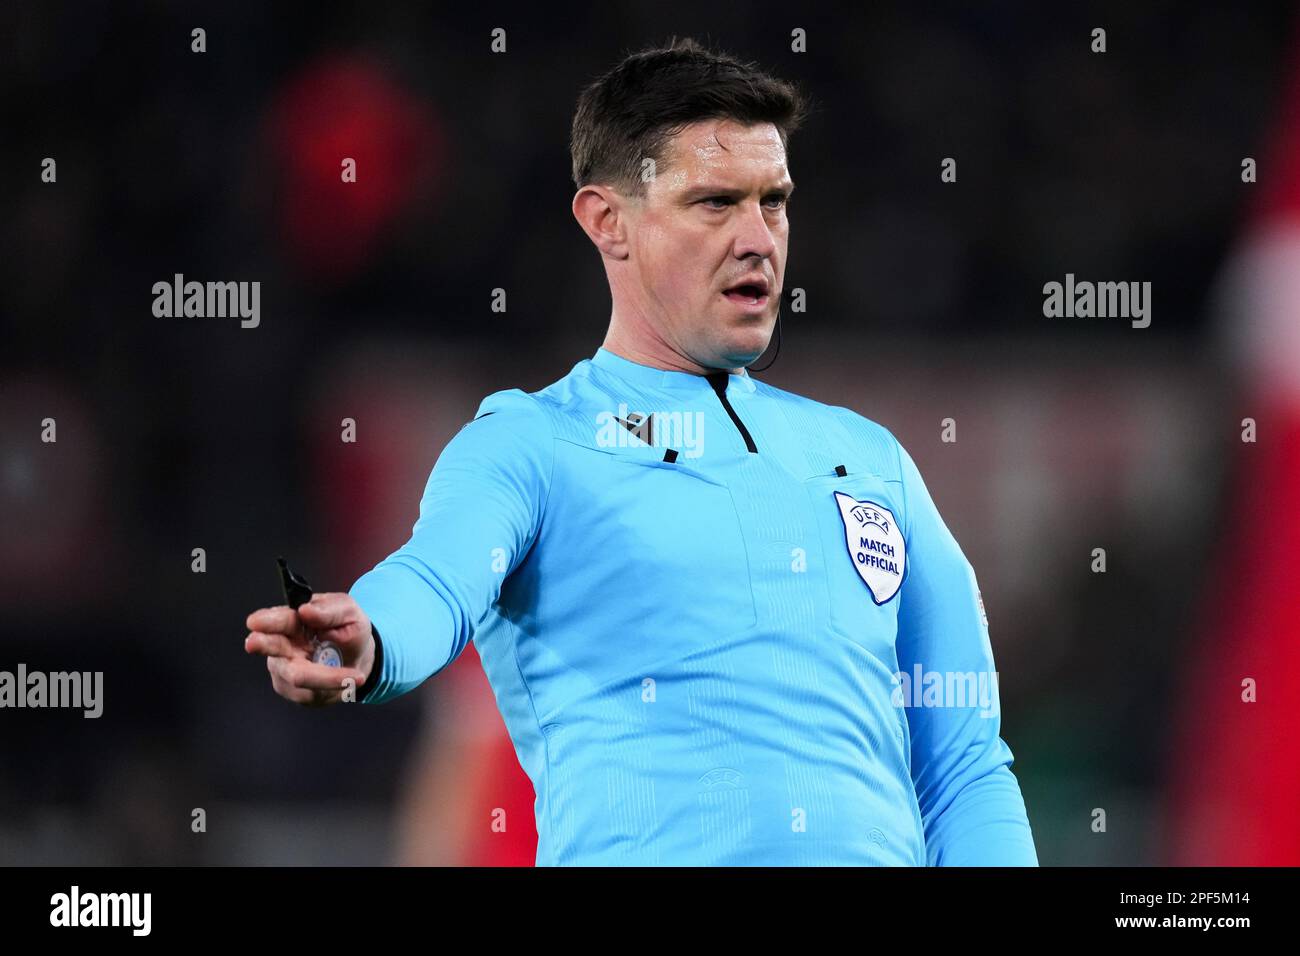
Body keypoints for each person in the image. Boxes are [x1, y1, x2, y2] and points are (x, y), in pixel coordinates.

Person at [244, 37, 1038, 866]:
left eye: (774, 201)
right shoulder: (532, 447)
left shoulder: (871, 461)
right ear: (608, 221)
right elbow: (434, 580)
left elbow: (965, 769)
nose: (758, 237)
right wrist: (365, 642)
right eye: (715, 203)